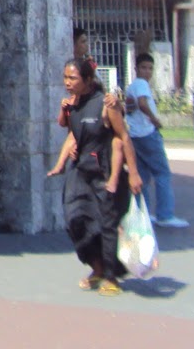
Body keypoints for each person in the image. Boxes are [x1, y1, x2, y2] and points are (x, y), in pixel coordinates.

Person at [48, 55, 142, 295]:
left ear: (88, 79)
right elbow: (71, 135)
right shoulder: (72, 105)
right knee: (75, 219)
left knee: (107, 224)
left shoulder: (106, 104)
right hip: (80, 172)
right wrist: (60, 164)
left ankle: (110, 276)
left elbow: (123, 137)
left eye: (73, 78)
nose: (67, 82)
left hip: (105, 173)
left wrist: (133, 174)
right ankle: (96, 266)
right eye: (65, 77)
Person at [125, 52, 187, 229]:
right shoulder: (141, 84)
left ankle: (141, 212)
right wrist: (154, 119)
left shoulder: (132, 86)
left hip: (135, 136)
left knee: (142, 175)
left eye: (150, 68)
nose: (147, 71)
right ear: (136, 68)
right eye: (144, 67)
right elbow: (143, 104)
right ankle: (165, 214)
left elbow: (130, 107)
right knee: (162, 174)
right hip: (146, 134)